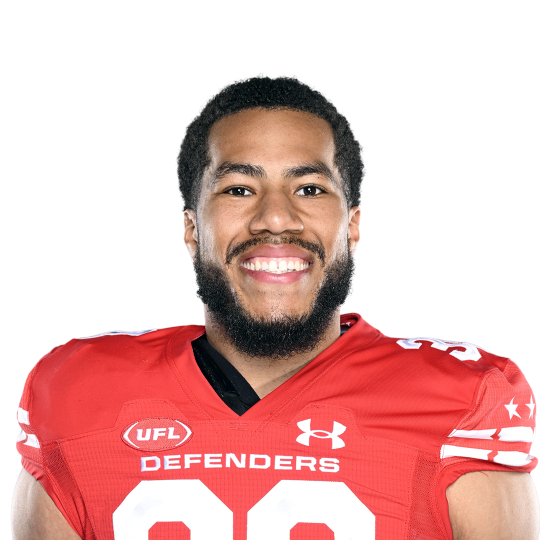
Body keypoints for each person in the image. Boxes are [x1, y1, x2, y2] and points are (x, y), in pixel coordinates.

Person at [11, 76, 539, 540]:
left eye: (309, 188)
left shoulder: (462, 399)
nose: (276, 219)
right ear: (192, 228)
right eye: (239, 189)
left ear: (352, 224)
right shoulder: (78, 390)